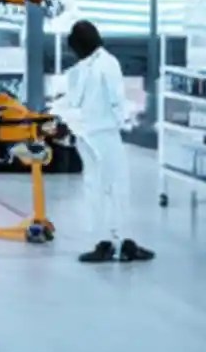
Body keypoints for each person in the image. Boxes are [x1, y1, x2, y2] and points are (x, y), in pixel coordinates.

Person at [48, 20, 154, 264]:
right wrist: (123, 120)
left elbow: (72, 102)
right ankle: (119, 242)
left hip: (87, 135)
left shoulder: (81, 69)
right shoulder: (105, 64)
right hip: (103, 135)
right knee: (116, 188)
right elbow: (116, 100)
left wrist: (61, 116)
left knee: (96, 188)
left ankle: (106, 242)